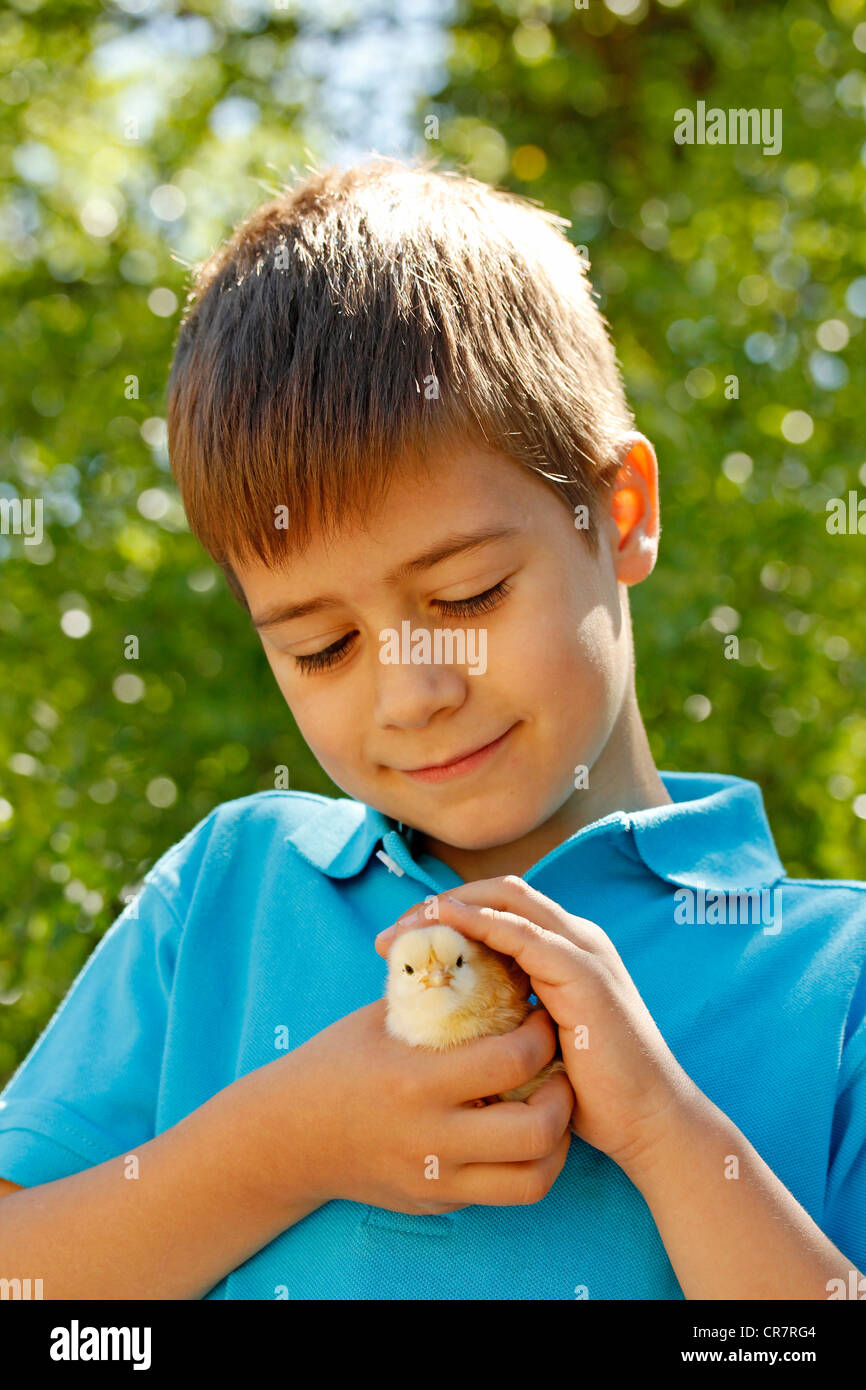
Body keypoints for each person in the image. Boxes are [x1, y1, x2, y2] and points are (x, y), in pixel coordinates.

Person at [1, 158, 864, 1300]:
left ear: (620, 515)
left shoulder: (828, 979)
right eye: (322, 647)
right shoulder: (223, 893)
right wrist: (281, 1143)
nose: (410, 694)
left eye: (464, 598)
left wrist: (666, 1136)